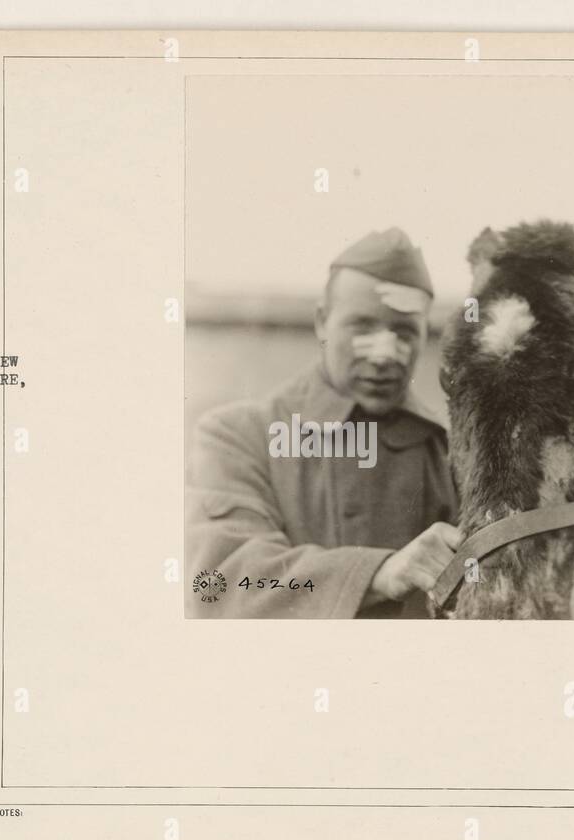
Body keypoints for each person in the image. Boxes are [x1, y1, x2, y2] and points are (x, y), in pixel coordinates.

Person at [186, 227, 462, 618]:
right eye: (362, 326)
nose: (384, 354)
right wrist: (377, 574)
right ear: (321, 322)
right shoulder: (237, 437)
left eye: (404, 331)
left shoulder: (453, 457)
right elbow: (220, 581)